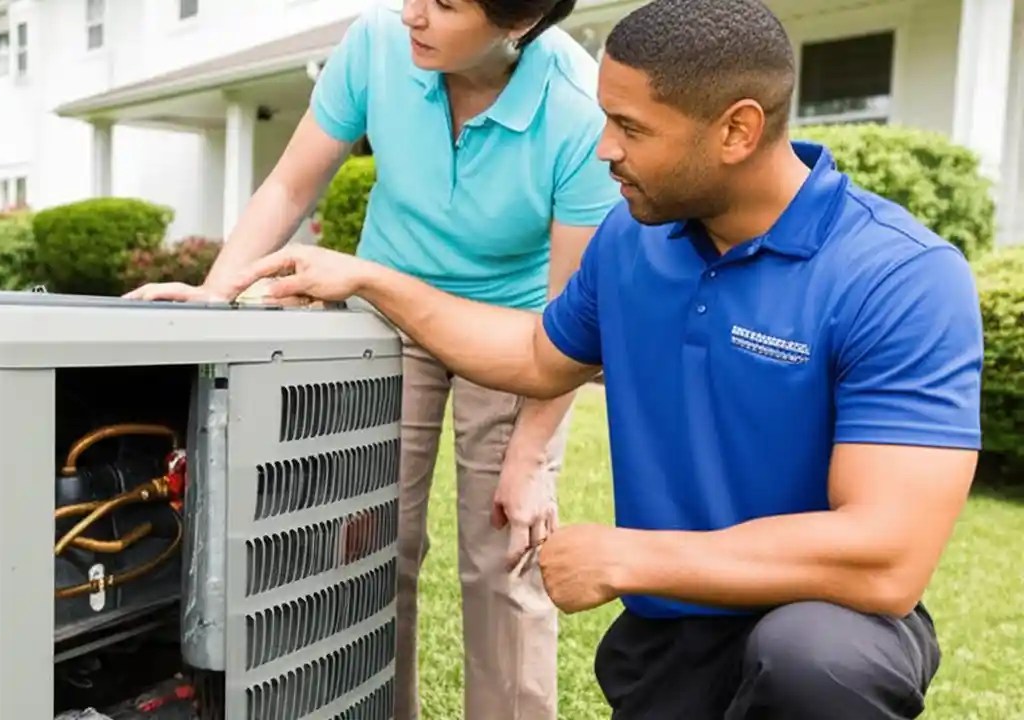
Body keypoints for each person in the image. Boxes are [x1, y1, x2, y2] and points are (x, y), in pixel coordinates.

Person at [205, 0, 986, 718]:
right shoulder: (635, 240)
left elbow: (887, 557)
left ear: (737, 131)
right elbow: (535, 354)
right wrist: (372, 277)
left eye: (631, 128)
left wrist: (632, 555)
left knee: (814, 659)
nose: (603, 145)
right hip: (672, 636)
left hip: (819, 630)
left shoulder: (899, 276)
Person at [124, 0, 623, 717]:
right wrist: (214, 293)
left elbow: (572, 313)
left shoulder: (576, 109)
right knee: (366, 549)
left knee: (502, 563)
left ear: (518, 22)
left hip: (513, 333)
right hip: (388, 315)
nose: (413, 14)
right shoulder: (376, 46)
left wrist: (529, 453)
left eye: (445, 4)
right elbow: (292, 185)